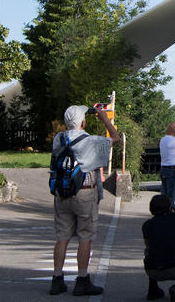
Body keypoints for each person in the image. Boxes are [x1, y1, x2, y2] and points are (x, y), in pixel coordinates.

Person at [50, 103, 118, 296]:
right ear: (83, 121)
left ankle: (57, 279)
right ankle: (82, 280)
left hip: (62, 192)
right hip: (85, 192)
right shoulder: (91, 141)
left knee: (62, 236)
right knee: (85, 236)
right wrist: (104, 118)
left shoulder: (58, 138)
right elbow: (115, 138)